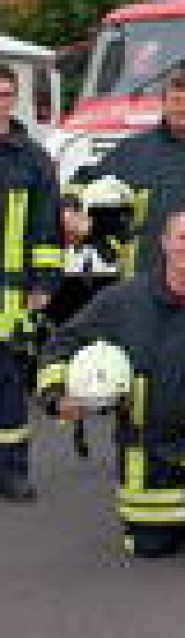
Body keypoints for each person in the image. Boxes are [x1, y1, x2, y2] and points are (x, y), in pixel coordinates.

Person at [39, 211, 185, 560]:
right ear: (164, 243)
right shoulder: (122, 300)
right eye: (182, 237)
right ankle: (179, 508)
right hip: (147, 442)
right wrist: (57, 396)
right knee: (151, 546)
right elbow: (63, 341)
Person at [65, 68, 185, 276]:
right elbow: (85, 178)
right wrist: (70, 207)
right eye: (175, 101)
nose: (181, 108)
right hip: (140, 277)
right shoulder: (133, 150)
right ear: (163, 103)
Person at [0, 64, 62, 501]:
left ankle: (12, 471)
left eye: (5, 93)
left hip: (11, 293)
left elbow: (47, 227)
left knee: (8, 384)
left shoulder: (33, 159)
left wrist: (44, 284)